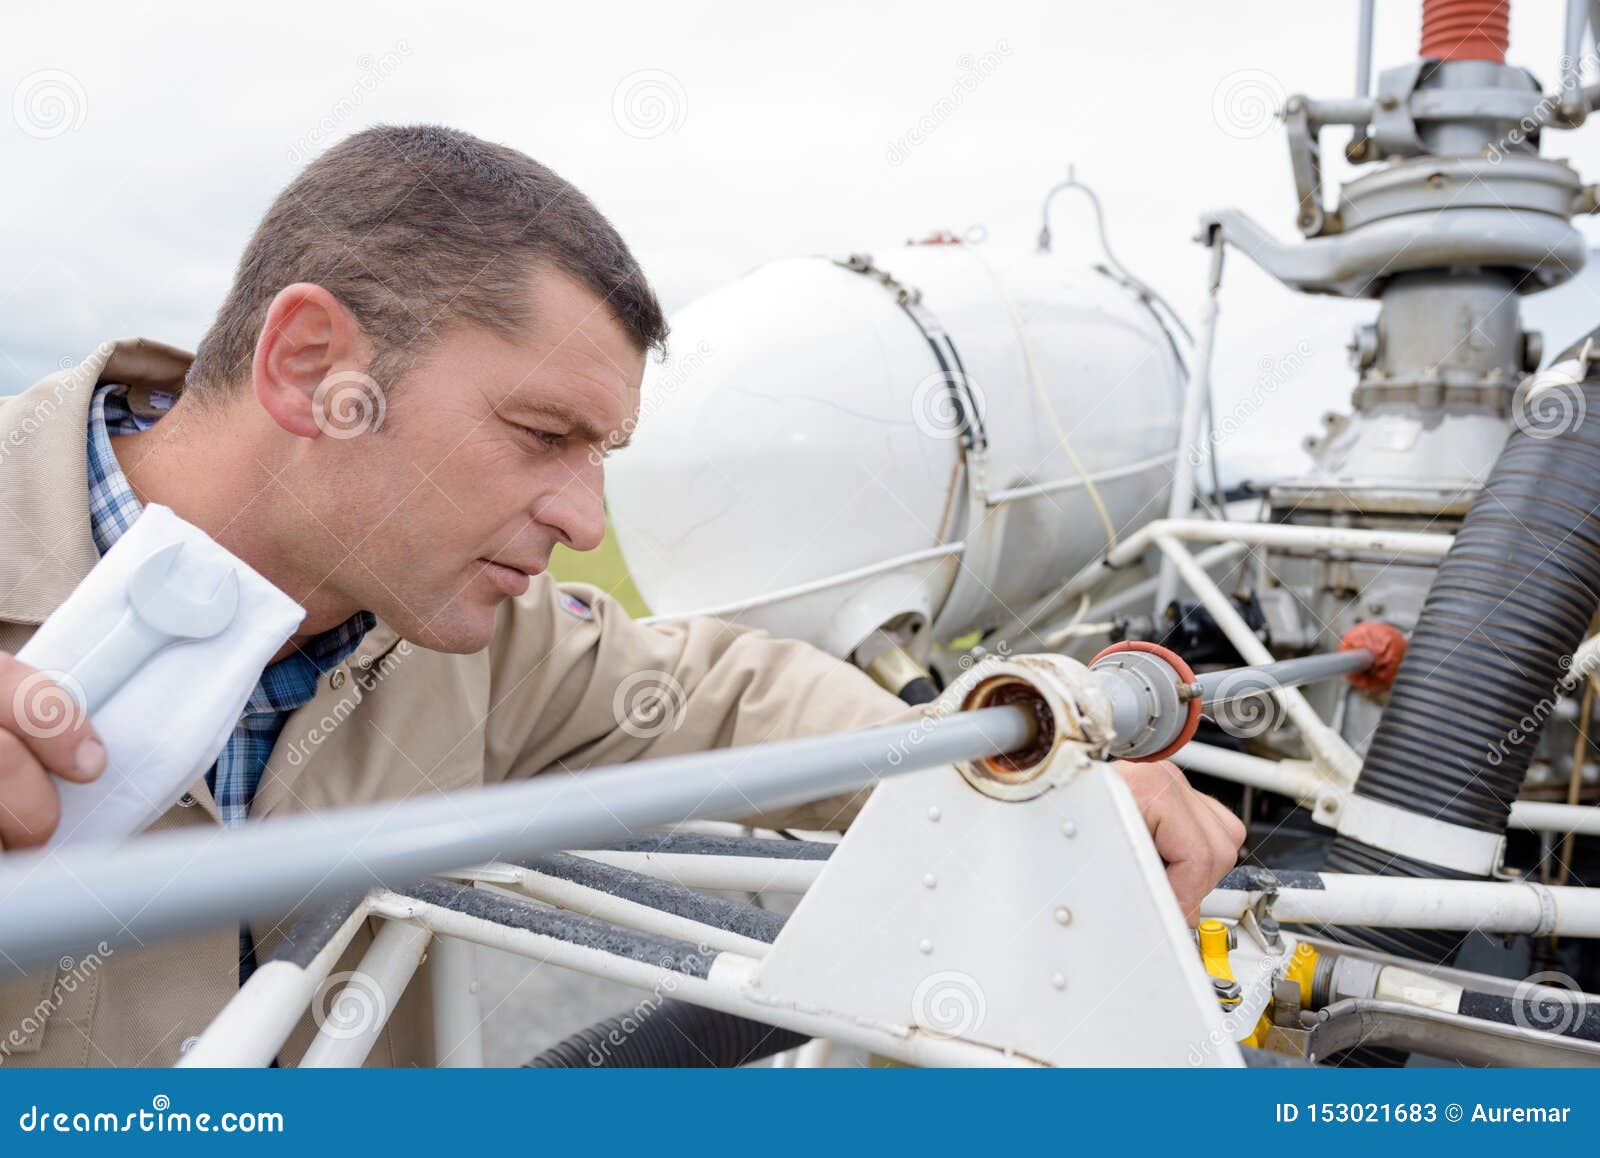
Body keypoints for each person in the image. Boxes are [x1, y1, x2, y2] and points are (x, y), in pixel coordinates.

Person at [0, 125, 1244, 1066]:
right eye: (541, 433)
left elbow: (715, 695)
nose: (586, 521)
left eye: (601, 457)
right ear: (315, 368)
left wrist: (1030, 747)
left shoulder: (470, 641)